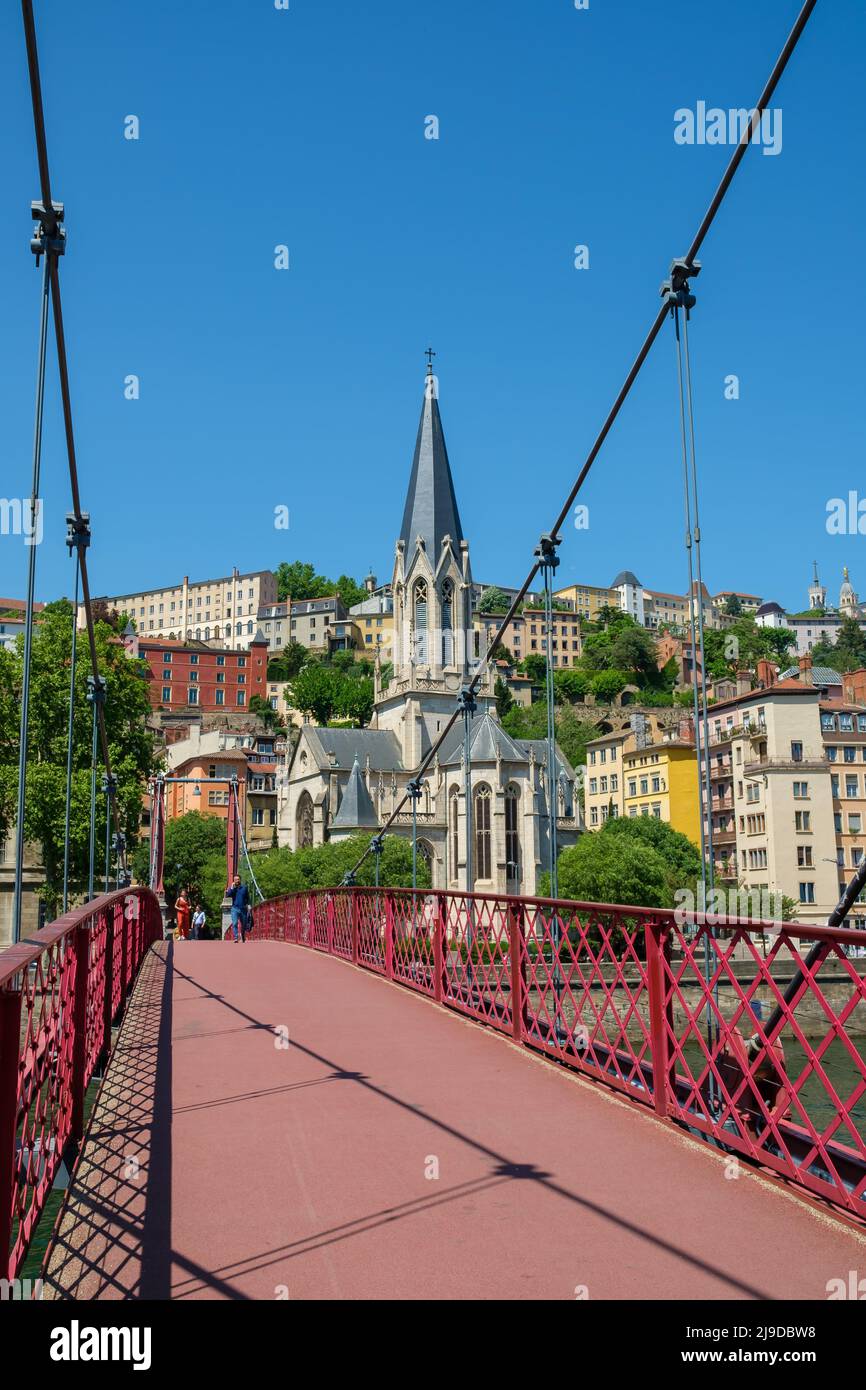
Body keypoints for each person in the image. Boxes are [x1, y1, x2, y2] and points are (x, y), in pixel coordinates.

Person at [226, 875, 251, 943]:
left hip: (243, 909)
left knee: (244, 924)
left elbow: (248, 897)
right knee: (234, 923)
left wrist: (249, 905)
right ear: (233, 881)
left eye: (238, 879)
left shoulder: (244, 888)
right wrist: (231, 888)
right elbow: (228, 895)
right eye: (236, 879)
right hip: (234, 908)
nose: (237, 881)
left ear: (240, 880)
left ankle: (242, 935)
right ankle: (236, 938)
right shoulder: (232, 889)